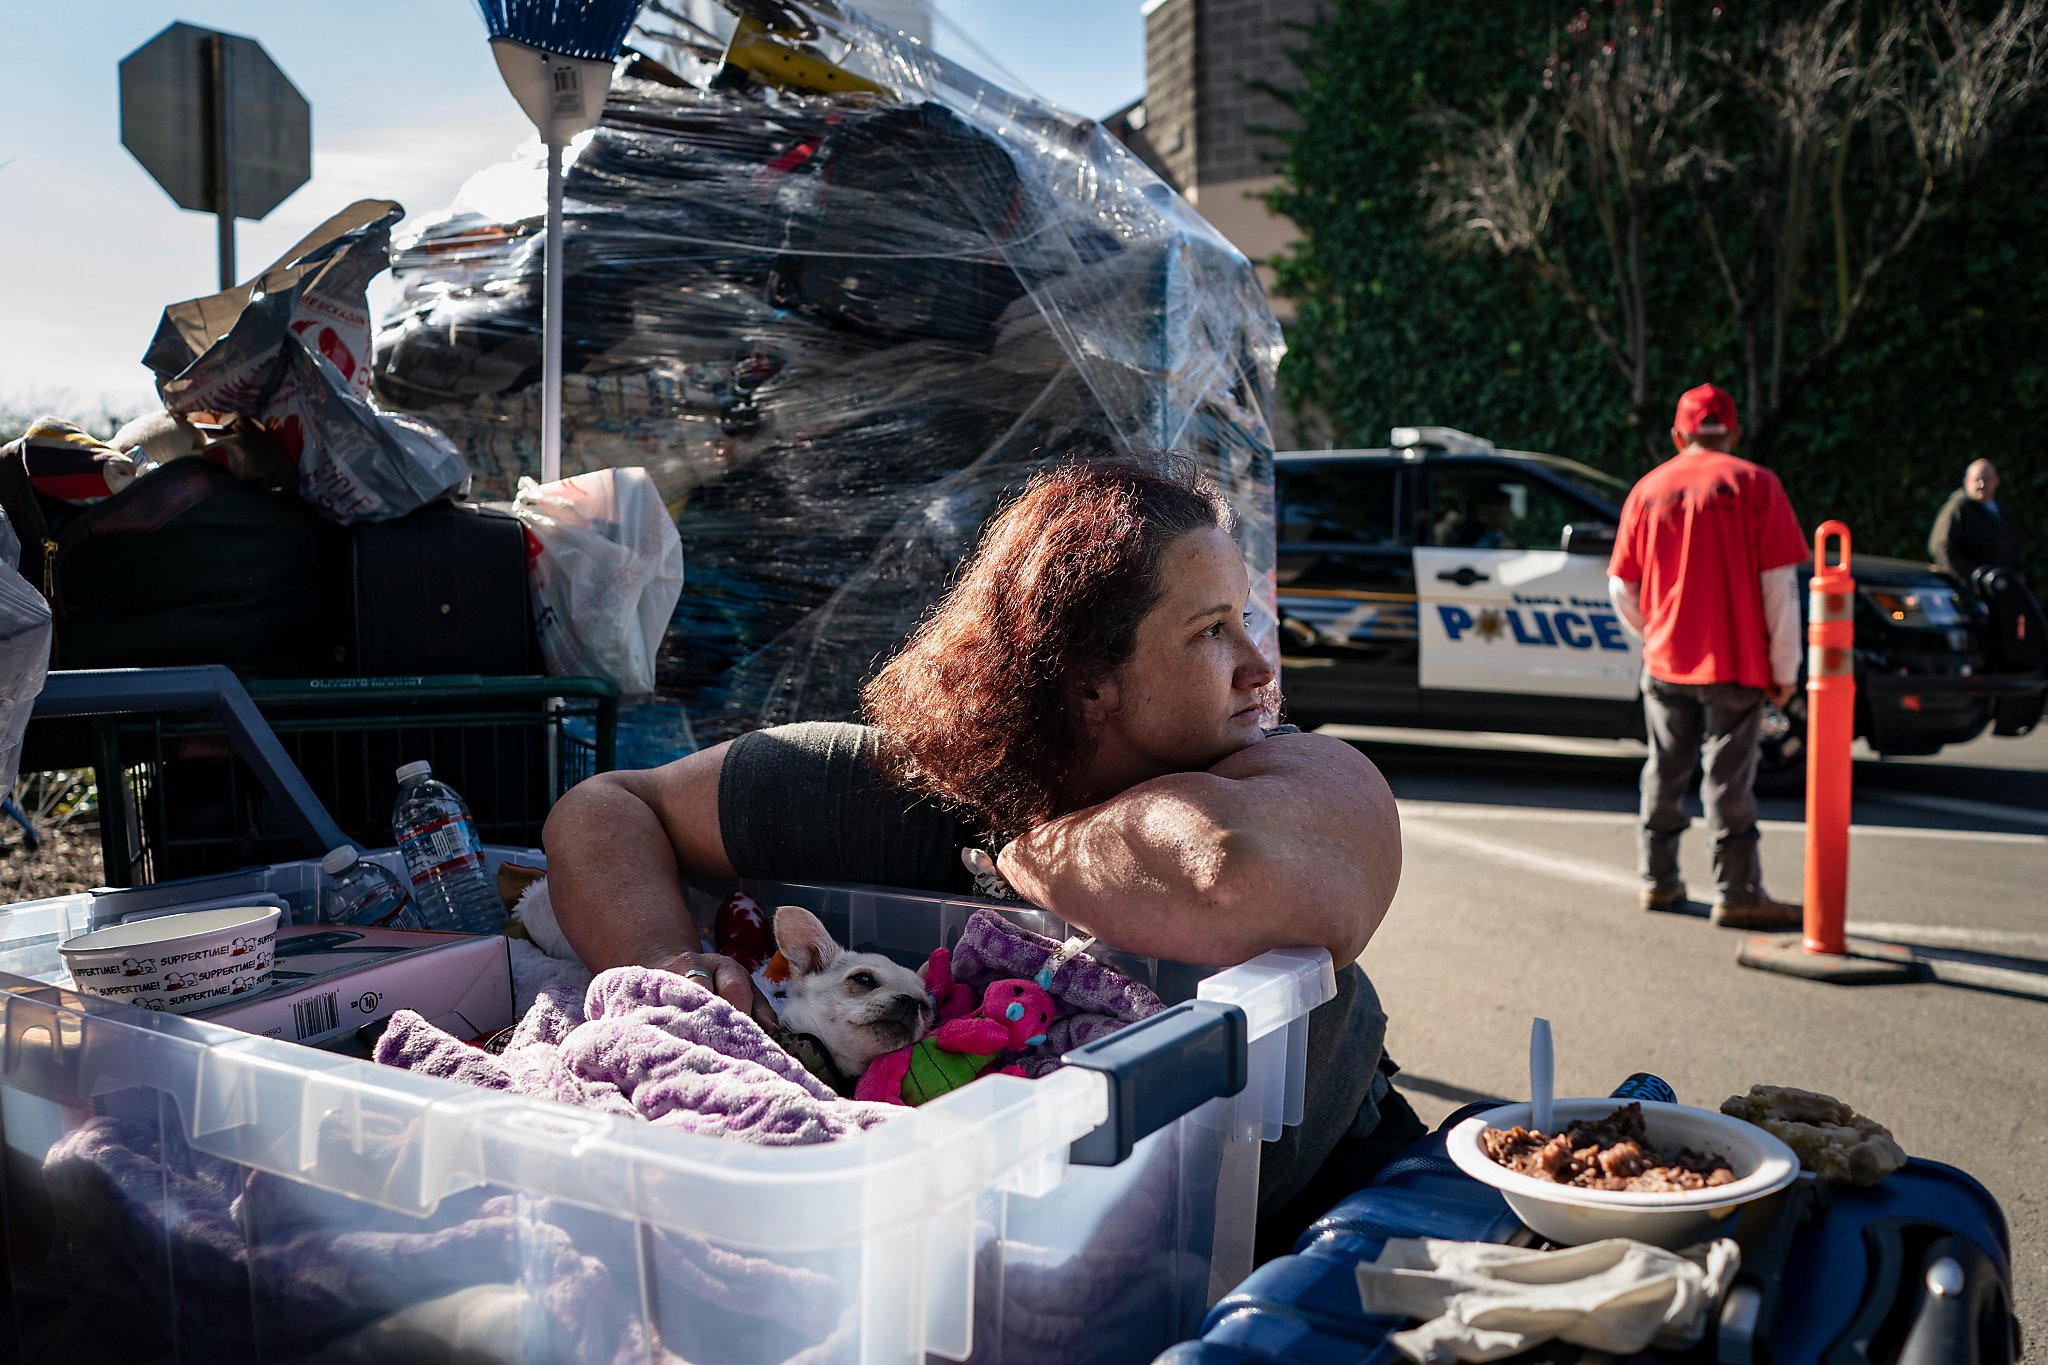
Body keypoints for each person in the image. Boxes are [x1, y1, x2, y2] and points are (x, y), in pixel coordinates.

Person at [542, 456, 1411, 1258]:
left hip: (1336, 1215)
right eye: (1213, 630)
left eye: (1247, 618)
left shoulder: (1292, 766)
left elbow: (1234, 883)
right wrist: (663, 963)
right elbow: (608, 807)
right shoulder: (892, 785)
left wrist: (1027, 856)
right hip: (1009, 1275)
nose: (1261, 667)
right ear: (1087, 683)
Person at [1606, 384, 1808, 930]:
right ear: (1733, 432)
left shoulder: (1648, 489)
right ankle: (1737, 892)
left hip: (1667, 661)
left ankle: (1659, 881)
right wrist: (1785, 672)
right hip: (1736, 664)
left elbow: (1622, 585)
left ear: (1680, 434)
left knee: (1664, 770)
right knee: (1728, 781)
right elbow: (1780, 590)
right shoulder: (1756, 485)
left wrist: (1655, 633)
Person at [1928, 459, 2023, 585]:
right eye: (1977, 479)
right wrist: (1973, 576)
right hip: (1969, 590)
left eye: (1987, 479)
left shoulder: (2000, 512)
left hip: (2000, 588)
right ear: (1967, 482)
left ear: (1996, 481)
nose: (1981, 484)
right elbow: (1941, 547)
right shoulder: (1957, 509)